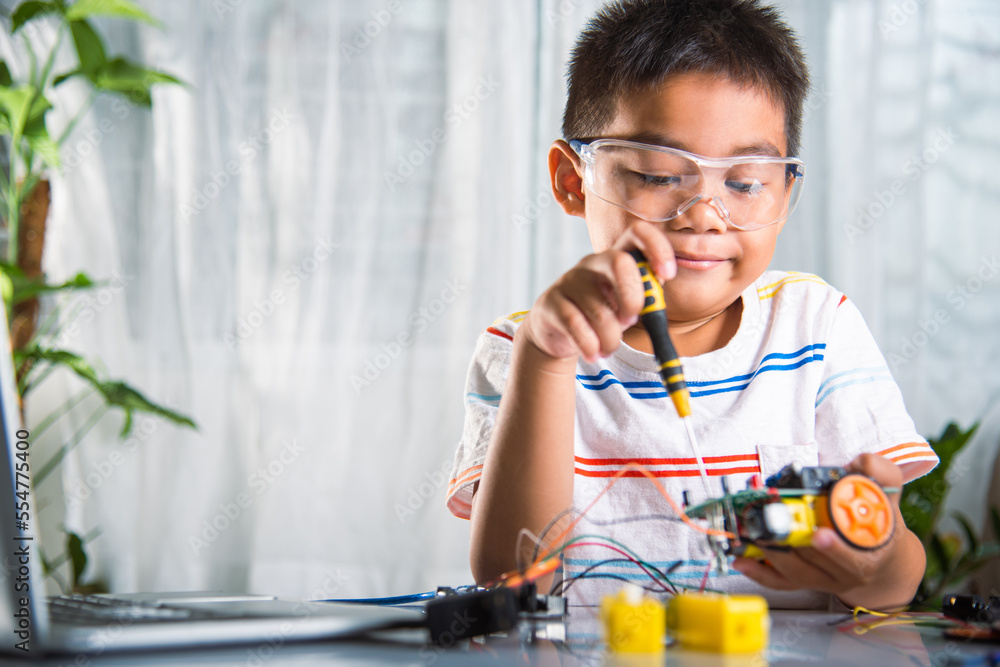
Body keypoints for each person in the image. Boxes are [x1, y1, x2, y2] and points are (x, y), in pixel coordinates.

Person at [446, 0, 939, 610]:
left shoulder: (817, 326)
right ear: (574, 181)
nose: (706, 214)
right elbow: (512, 580)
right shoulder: (525, 346)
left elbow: (896, 583)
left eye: (746, 182)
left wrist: (877, 563)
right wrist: (545, 360)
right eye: (658, 176)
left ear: (785, 187)